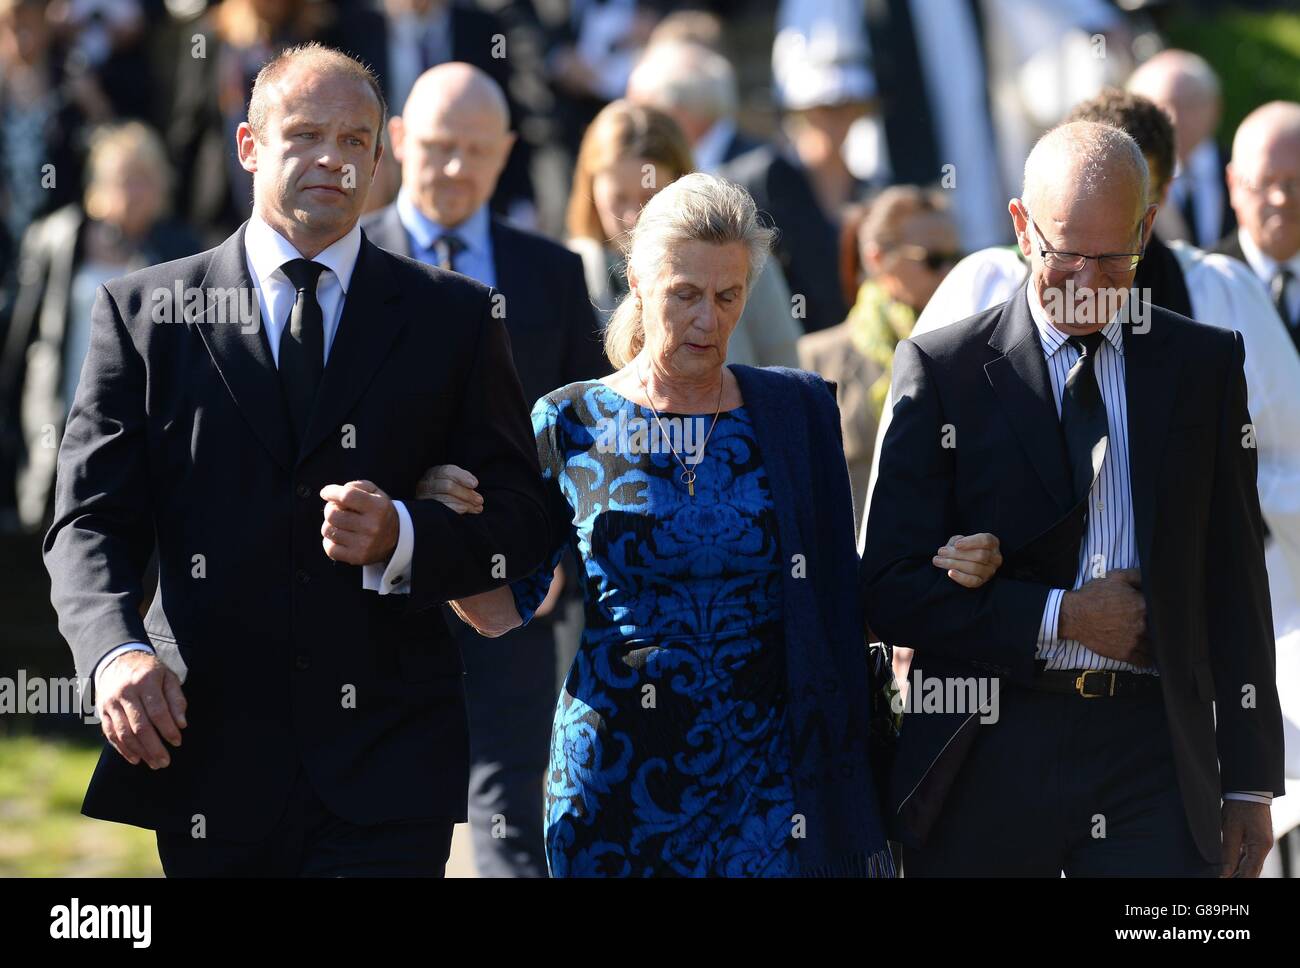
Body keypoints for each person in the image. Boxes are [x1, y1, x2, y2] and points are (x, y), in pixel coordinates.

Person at [43, 42, 550, 877]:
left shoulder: (453, 318)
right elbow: (88, 520)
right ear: (248, 146)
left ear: (382, 161)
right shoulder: (144, 316)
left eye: (355, 142)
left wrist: (405, 536)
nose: (333, 159)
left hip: (388, 767)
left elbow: (523, 525)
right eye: (306, 134)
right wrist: (115, 654)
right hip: (209, 757)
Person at [420, 172, 1002, 876]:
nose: (708, 320)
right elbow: (498, 610)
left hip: (774, 788)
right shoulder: (570, 420)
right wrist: (445, 530)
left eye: (729, 297)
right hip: (615, 788)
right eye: (685, 294)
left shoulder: (796, 414)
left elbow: (846, 600)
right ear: (636, 278)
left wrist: (946, 561)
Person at [861, 120, 1284, 876]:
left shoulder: (1202, 365)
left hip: (1150, 751)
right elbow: (887, 589)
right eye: (1065, 256)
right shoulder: (945, 369)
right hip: (987, 742)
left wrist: (1251, 782)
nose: (1087, 284)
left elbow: (1236, 580)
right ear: (1022, 227)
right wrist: (1062, 614)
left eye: (1112, 257)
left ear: (1147, 229)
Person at [361, 61, 606, 877]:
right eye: (437, 148)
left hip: (516, 591)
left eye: (476, 150)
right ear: (398, 143)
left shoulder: (553, 274)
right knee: (386, 826)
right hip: (380, 599)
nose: (456, 169)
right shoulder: (348, 264)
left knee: (511, 827)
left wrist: (560, 559)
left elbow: (585, 436)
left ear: (505, 154)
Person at [626, 40, 846, 332]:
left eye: (643, 110)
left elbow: (819, 282)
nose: (637, 127)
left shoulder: (765, 171)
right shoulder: (671, 176)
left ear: (678, 111)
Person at [566, 98, 801, 368]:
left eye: (649, 197)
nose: (633, 216)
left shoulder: (740, 263)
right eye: (618, 198)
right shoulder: (564, 273)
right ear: (591, 192)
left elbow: (785, 368)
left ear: (681, 186)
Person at [798, 185, 958, 528]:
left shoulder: (970, 351)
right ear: (876, 258)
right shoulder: (815, 360)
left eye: (955, 259)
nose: (948, 274)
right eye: (932, 260)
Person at [1127, 49, 1234, 250]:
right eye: (1162, 106)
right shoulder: (1129, 180)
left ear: (1216, 108)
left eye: (1189, 104)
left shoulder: (1244, 172)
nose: (1175, 119)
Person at [1216, 101, 1300, 356]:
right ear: (1233, 184)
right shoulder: (1199, 282)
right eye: (1265, 182)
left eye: (1296, 183)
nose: (1281, 198)